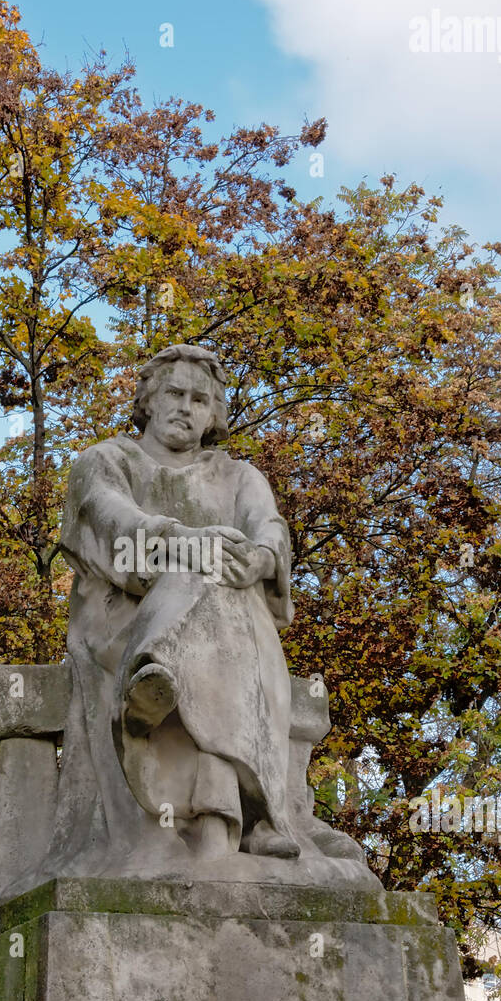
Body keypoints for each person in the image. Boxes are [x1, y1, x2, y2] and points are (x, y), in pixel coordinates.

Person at [55, 344, 306, 866]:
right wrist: (191, 545)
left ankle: (156, 685)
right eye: (173, 393)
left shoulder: (239, 477)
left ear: (214, 413)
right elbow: (113, 524)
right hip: (127, 620)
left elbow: (271, 532)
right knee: (203, 579)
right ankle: (254, 817)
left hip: (228, 634)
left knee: (220, 599)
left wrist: (259, 560)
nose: (185, 407)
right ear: (147, 399)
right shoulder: (103, 462)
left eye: (199, 398)